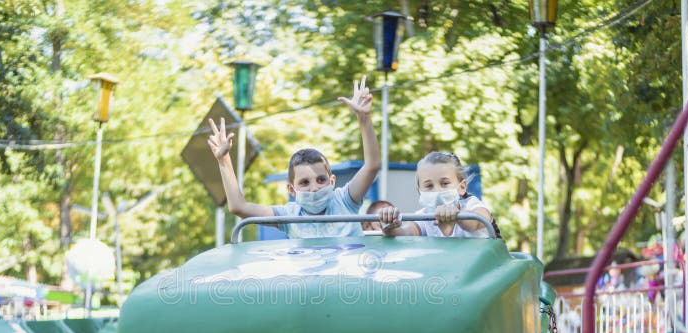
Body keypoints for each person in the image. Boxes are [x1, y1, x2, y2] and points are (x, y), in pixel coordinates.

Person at [207, 76, 380, 238]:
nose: (314, 188)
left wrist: (364, 119)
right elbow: (239, 207)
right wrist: (224, 160)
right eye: (304, 182)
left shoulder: (345, 201)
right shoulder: (289, 215)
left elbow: (372, 166)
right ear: (291, 189)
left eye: (321, 180)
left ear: (332, 181)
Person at [375, 151, 500, 239]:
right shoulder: (423, 216)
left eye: (445, 183)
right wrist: (390, 227)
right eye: (429, 186)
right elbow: (406, 233)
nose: (437, 191)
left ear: (462, 187)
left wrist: (457, 216)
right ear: (420, 192)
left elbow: (477, 222)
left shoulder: (472, 206)